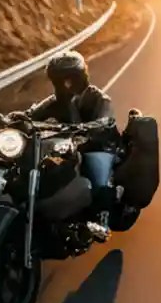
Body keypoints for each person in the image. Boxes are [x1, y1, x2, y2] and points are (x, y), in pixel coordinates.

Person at [27, 50, 120, 214]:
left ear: (82, 77)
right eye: (60, 81)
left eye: (71, 79)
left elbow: (105, 120)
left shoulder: (99, 98)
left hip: (98, 145)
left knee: (98, 187)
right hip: (71, 146)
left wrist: (90, 126)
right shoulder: (55, 101)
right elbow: (31, 115)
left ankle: (106, 211)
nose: (66, 85)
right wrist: (15, 118)